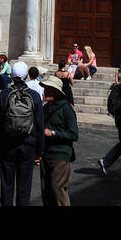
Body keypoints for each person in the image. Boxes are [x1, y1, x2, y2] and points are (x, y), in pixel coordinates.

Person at [0, 61, 45, 206]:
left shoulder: (3, 95)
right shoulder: (34, 96)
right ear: (26, 75)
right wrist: (39, 151)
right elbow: (40, 126)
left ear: (12, 76)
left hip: (7, 145)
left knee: (7, 185)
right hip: (28, 145)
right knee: (24, 187)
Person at [39, 75, 78, 205]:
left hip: (60, 155)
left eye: (49, 89)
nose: (46, 91)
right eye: (45, 88)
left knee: (58, 189)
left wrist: (53, 133)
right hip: (46, 154)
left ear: (57, 92)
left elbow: (73, 134)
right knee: (46, 191)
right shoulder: (45, 108)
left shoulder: (66, 109)